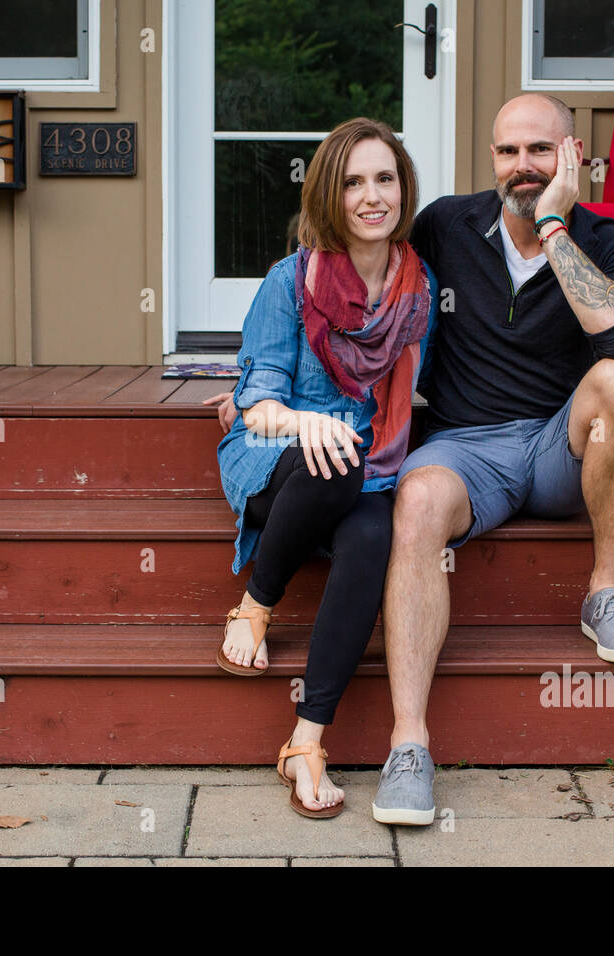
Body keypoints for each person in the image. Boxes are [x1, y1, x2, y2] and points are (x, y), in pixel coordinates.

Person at [367, 93, 614, 826]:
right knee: (420, 501)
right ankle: (409, 746)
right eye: (507, 152)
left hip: (565, 441)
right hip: (468, 447)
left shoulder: (613, 240)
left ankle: (605, 592)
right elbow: (356, 264)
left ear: (573, 157)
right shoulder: (445, 225)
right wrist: (264, 388)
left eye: (539, 150)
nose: (520, 168)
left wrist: (556, 224)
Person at [202, 117, 438, 819]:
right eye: (354, 181)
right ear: (329, 197)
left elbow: (414, 387)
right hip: (278, 458)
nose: (372, 196)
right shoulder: (290, 282)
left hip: (366, 463)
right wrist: (304, 419)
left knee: (372, 536)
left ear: (403, 189)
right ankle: (255, 604)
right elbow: (259, 403)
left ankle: (307, 742)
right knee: (333, 459)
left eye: (385, 179)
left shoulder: (418, 292)